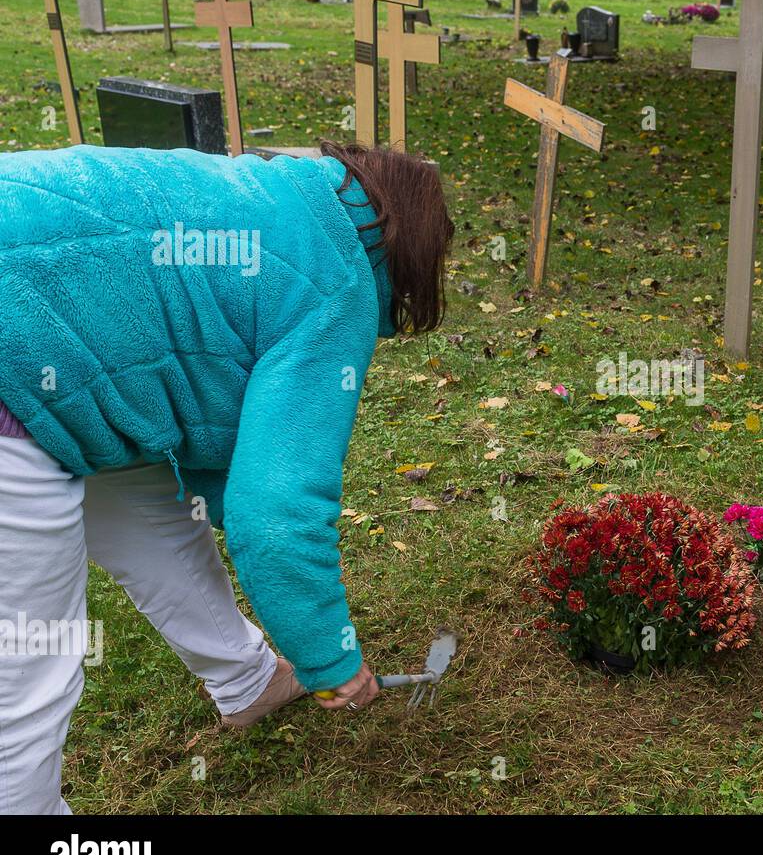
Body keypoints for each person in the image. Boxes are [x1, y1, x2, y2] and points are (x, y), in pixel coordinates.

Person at [0, 141, 453, 813]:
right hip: (18, 368)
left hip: (47, 344)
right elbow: (275, 518)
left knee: (154, 506)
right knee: (28, 683)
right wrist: (332, 658)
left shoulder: (280, 203)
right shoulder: (336, 286)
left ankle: (246, 683)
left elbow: (207, 439)